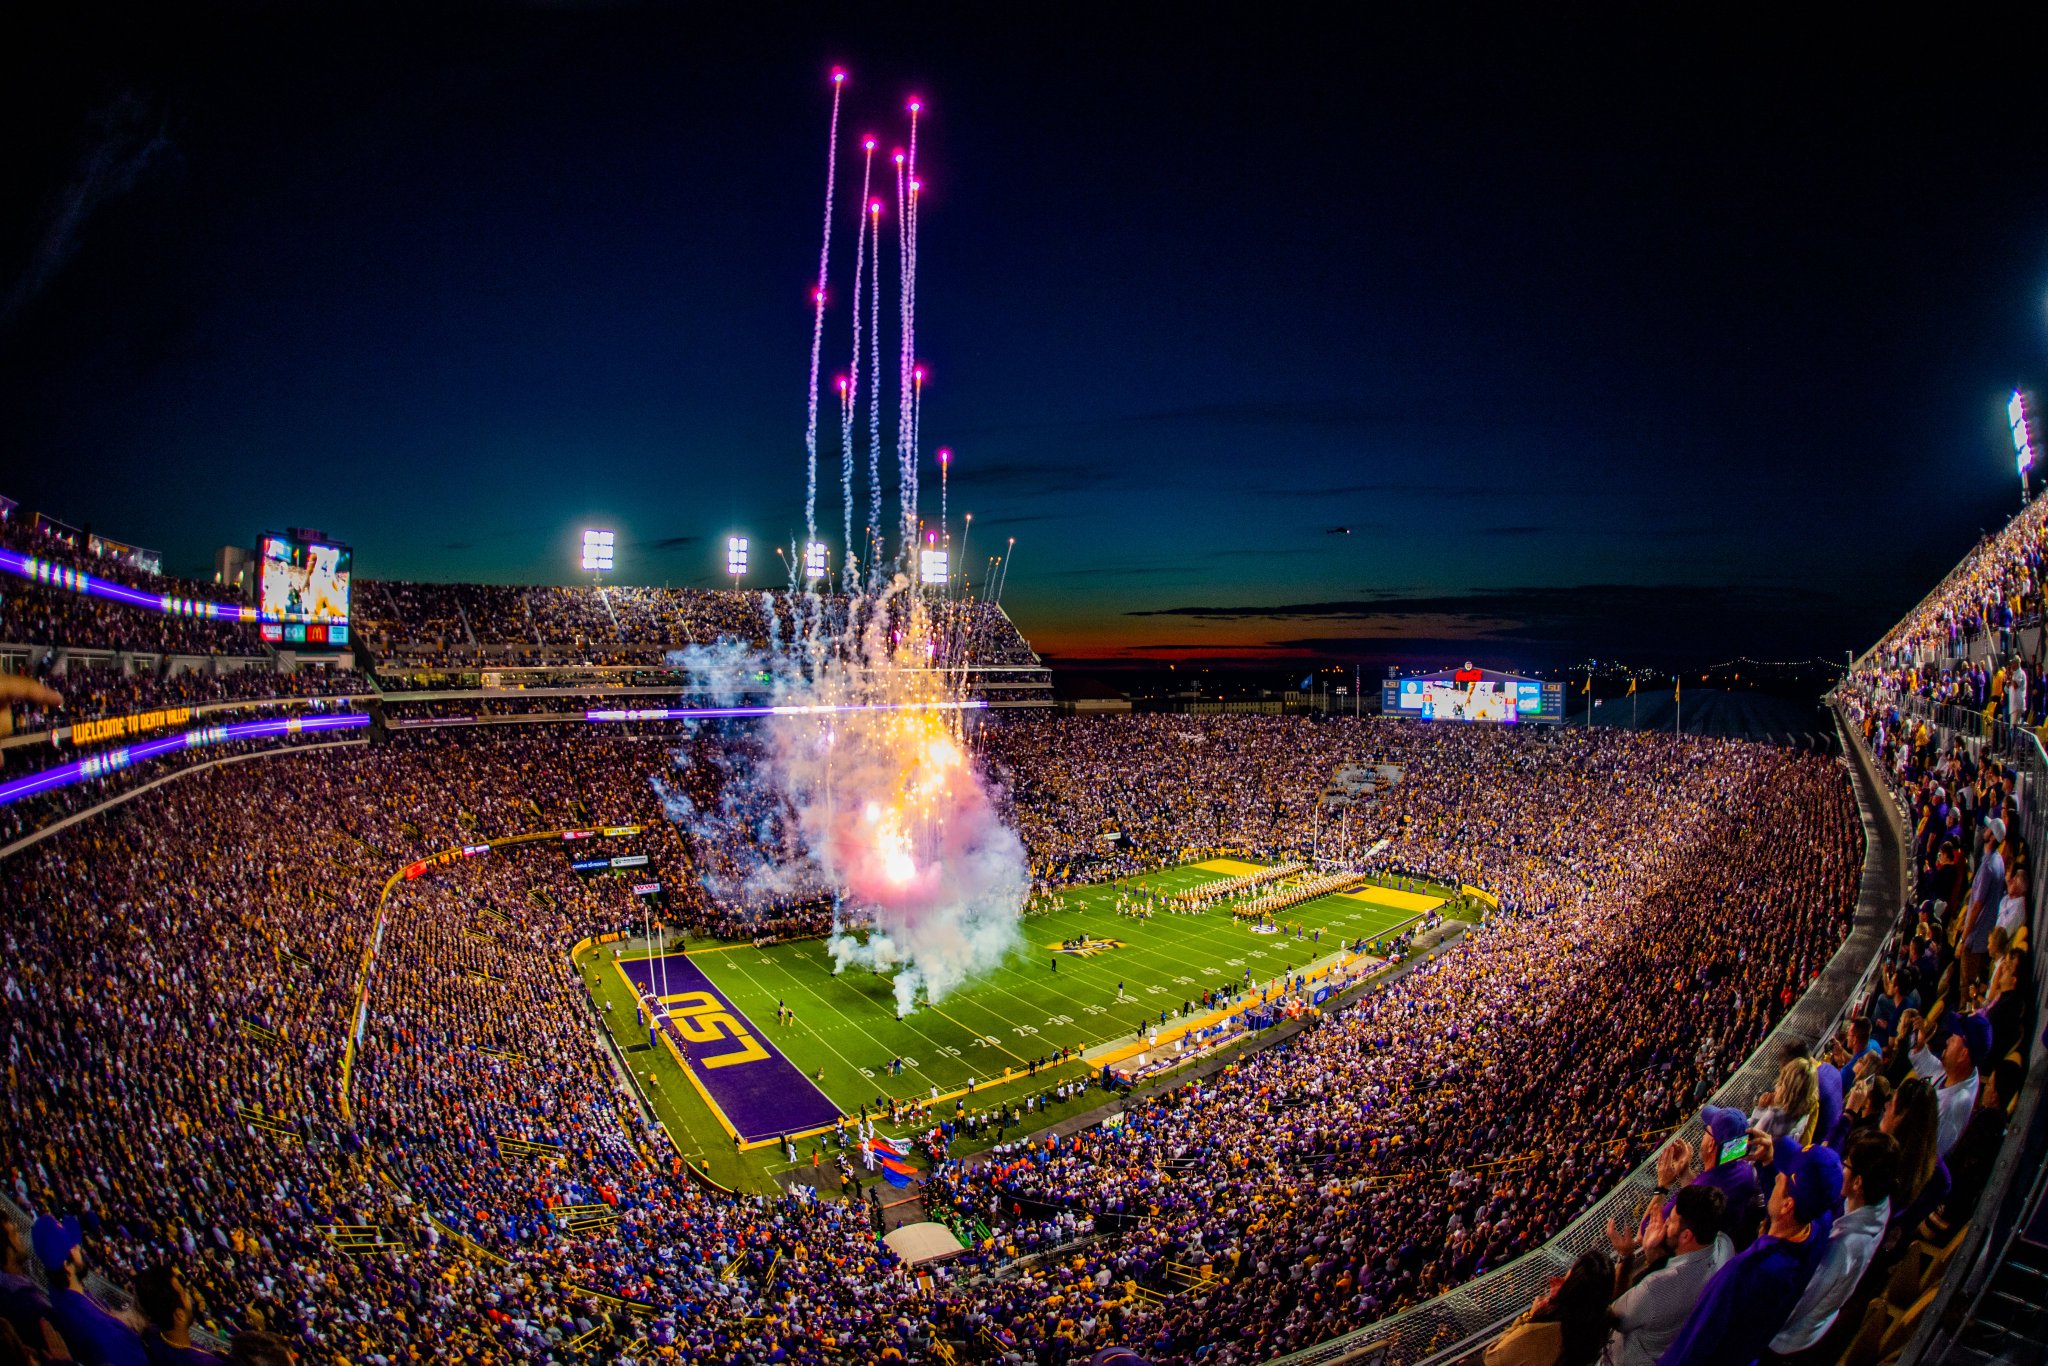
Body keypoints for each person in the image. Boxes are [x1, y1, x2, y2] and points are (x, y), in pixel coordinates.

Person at [1659, 1138, 1843, 1366]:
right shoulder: (1819, 1227)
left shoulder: (1747, 1271)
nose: (1778, 1176)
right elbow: (1797, 1206)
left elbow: (1692, 1346)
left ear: (1788, 1205)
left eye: (1782, 1175)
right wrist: (1768, 1165)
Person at [1765, 1130, 1899, 1364]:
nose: (1841, 1168)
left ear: (1858, 1182)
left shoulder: (1843, 1249)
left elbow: (1800, 1302)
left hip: (1785, 1341)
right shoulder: (1877, 1203)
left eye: (1846, 1164)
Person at [1601, 1186, 1726, 1366]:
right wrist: (1653, 1255)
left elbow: (1613, 1317)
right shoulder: (1724, 1245)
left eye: (1671, 1220)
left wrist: (1626, 1257)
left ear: (1686, 1236)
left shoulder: (1654, 1288)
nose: (1665, 1222)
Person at [35, 1214, 149, 1366]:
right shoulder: (100, 1329)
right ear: (66, 1265)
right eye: (74, 1248)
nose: (79, 1248)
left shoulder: (61, 1290)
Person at [1483, 1250, 1614, 1366]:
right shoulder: (1600, 1320)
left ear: (1571, 1287)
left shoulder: (1539, 1332)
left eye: (1566, 1277)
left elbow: (1491, 1358)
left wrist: (1529, 1316)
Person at [133, 1262, 224, 1366]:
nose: (188, 1295)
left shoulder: (151, 1334)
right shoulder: (207, 1363)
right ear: (180, 1316)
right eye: (183, 1293)